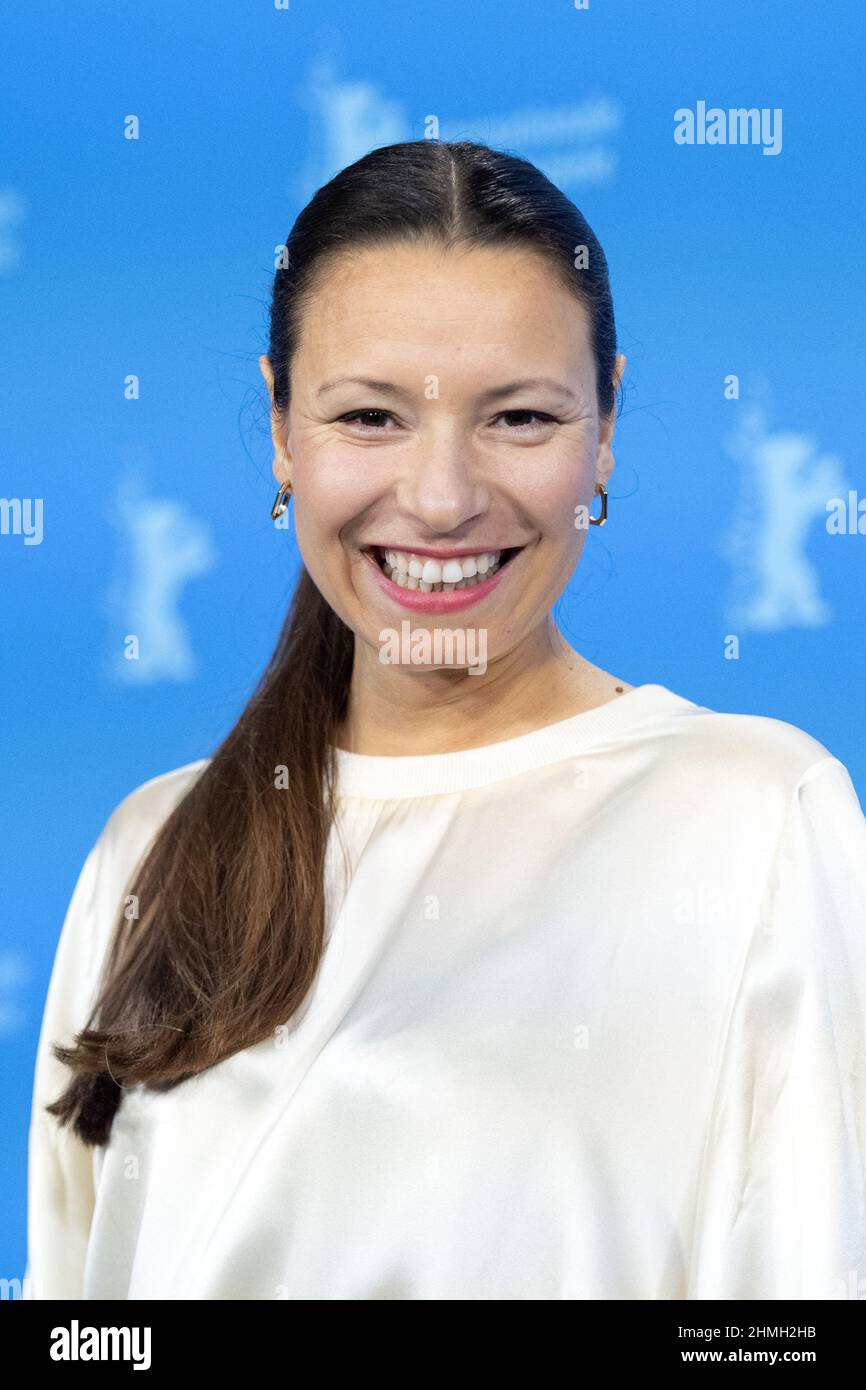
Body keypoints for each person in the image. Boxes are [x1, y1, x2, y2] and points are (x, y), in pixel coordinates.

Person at [25, 139, 866, 1301]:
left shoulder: (760, 816)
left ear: (605, 424)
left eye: (518, 418)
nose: (439, 498)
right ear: (279, 423)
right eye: (369, 417)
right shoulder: (155, 847)